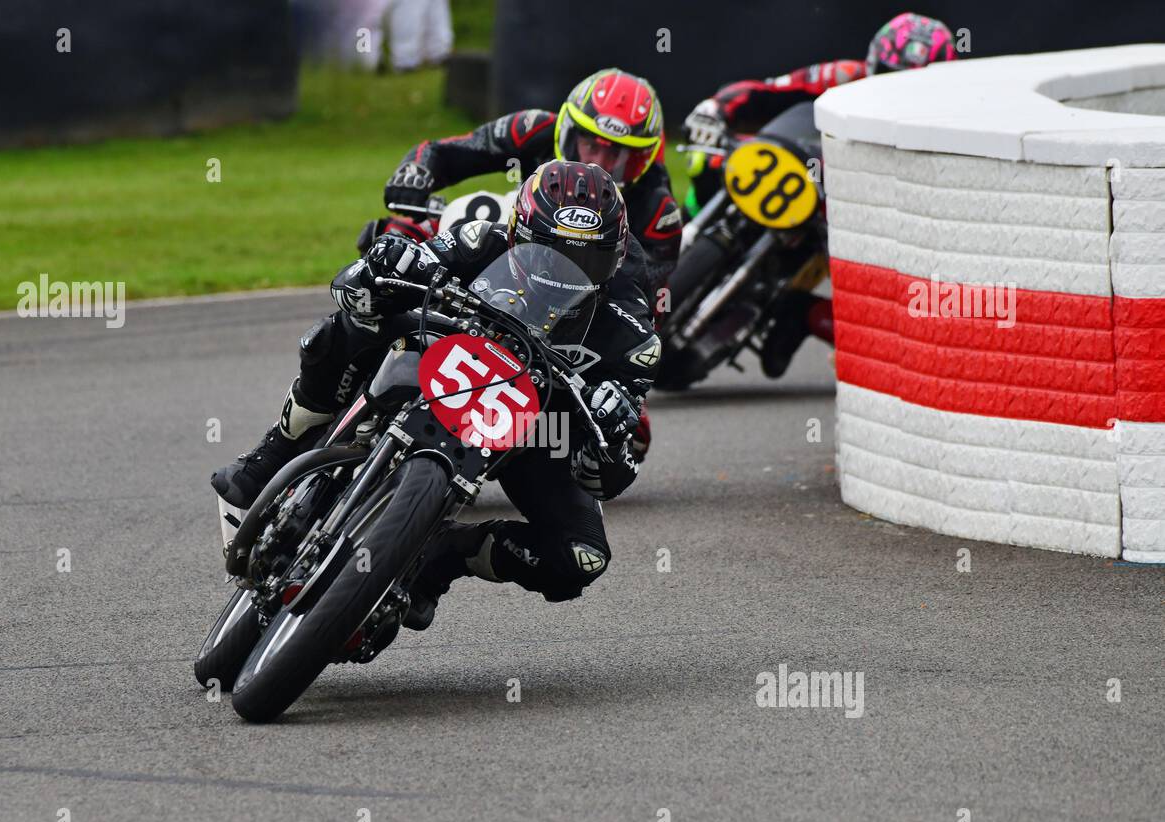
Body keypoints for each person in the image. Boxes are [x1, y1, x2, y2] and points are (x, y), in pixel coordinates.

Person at [212, 161, 661, 629]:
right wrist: (387, 263)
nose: (563, 276)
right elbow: (355, 284)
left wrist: (609, 428)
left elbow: (610, 478)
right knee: (344, 329)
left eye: (587, 261)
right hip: (442, 352)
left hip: (533, 428)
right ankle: (276, 450)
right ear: (517, 235)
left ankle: (444, 557)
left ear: (617, 253)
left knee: (582, 556)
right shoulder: (479, 241)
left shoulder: (633, 336)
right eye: (548, 256)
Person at [381, 68, 678, 458]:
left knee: (628, 437)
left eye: (618, 153)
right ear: (570, 129)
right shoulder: (530, 129)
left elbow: (643, 312)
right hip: (499, 244)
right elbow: (445, 151)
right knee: (390, 234)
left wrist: (618, 385)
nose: (600, 160)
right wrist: (416, 171)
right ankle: (378, 332)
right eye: (591, 143)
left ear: (643, 157)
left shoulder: (658, 210)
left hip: (573, 309)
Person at [680, 12, 957, 377]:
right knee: (706, 163)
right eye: (892, 78)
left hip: (857, 218)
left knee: (888, 332)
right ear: (874, 65)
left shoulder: (950, 131)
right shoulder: (845, 77)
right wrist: (717, 109)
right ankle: (674, 237)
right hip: (796, 173)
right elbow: (768, 90)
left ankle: (803, 314)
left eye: (914, 88)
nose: (898, 94)